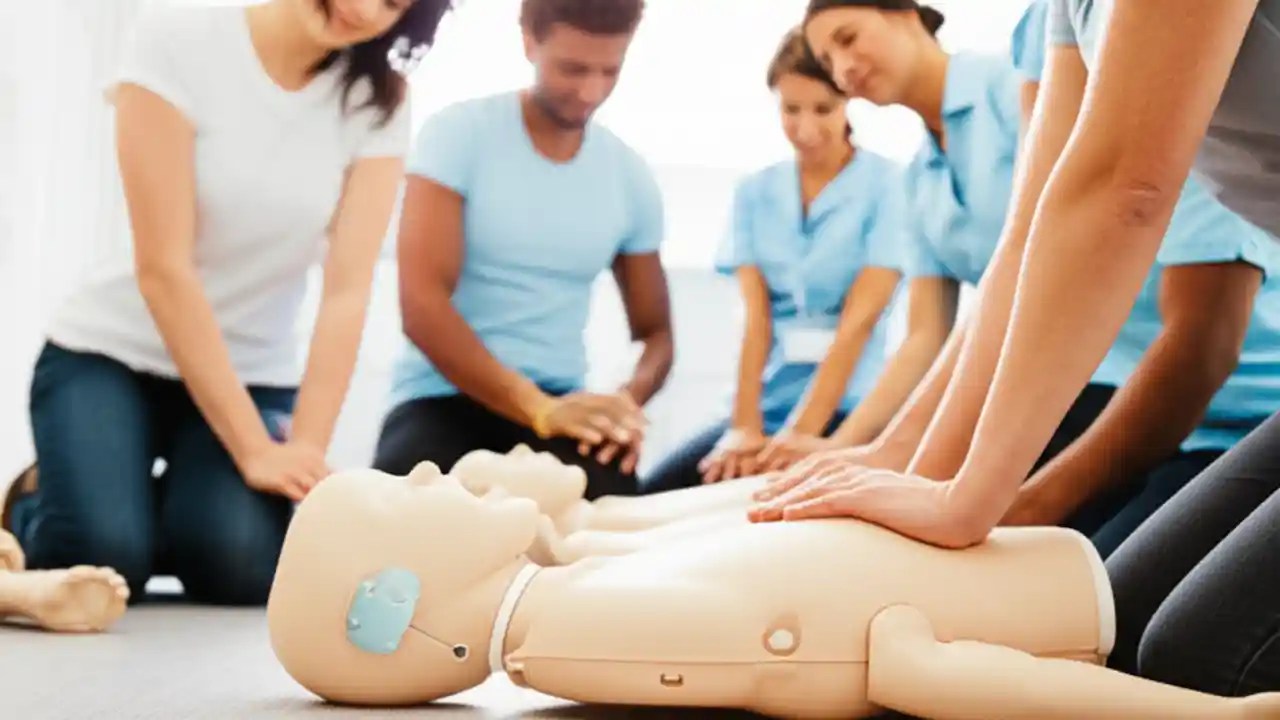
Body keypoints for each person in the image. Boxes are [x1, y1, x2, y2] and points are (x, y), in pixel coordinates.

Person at [770, 0, 1280, 698]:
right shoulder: (1064, 13)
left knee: (1207, 656)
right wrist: (918, 476)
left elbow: (1123, 189)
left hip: (1215, 411)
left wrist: (975, 500)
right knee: (1118, 626)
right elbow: (1034, 233)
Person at [2, 0, 451, 605]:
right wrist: (252, 449)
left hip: (251, 371)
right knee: (105, 556)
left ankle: (116, 498)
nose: (364, 10)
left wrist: (302, 455)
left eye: (394, 4)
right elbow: (165, 269)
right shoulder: (178, 36)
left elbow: (347, 290)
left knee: (237, 564)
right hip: (108, 354)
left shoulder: (379, 101)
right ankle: (35, 501)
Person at [750, 0, 1120, 501]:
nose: (842, 69)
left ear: (906, 14)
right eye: (827, 60)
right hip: (1017, 391)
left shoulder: (1019, 86)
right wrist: (839, 447)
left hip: (1095, 378)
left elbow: (1048, 268)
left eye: (847, 38)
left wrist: (899, 453)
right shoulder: (918, 179)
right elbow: (924, 337)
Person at [993, 0, 1280, 558]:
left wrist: (998, 504)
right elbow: (1027, 233)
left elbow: (1200, 346)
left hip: (1230, 407)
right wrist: (934, 482)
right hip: (1165, 410)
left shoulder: (1173, 75)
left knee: (1137, 624)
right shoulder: (1061, 18)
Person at [371, 0, 672, 500]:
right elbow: (422, 305)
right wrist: (534, 407)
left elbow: (655, 334)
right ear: (529, 41)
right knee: (404, 525)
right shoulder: (457, 135)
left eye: (609, 71)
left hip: (563, 407)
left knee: (611, 522)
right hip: (442, 397)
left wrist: (620, 403)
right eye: (572, 68)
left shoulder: (629, 174)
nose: (591, 91)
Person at [640, 28, 909, 494]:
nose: (805, 128)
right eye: (790, 109)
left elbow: (856, 325)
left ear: (849, 103)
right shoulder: (755, 192)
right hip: (764, 406)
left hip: (847, 410)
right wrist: (745, 428)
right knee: (660, 490)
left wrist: (800, 436)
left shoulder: (890, 188)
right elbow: (755, 319)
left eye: (823, 109)